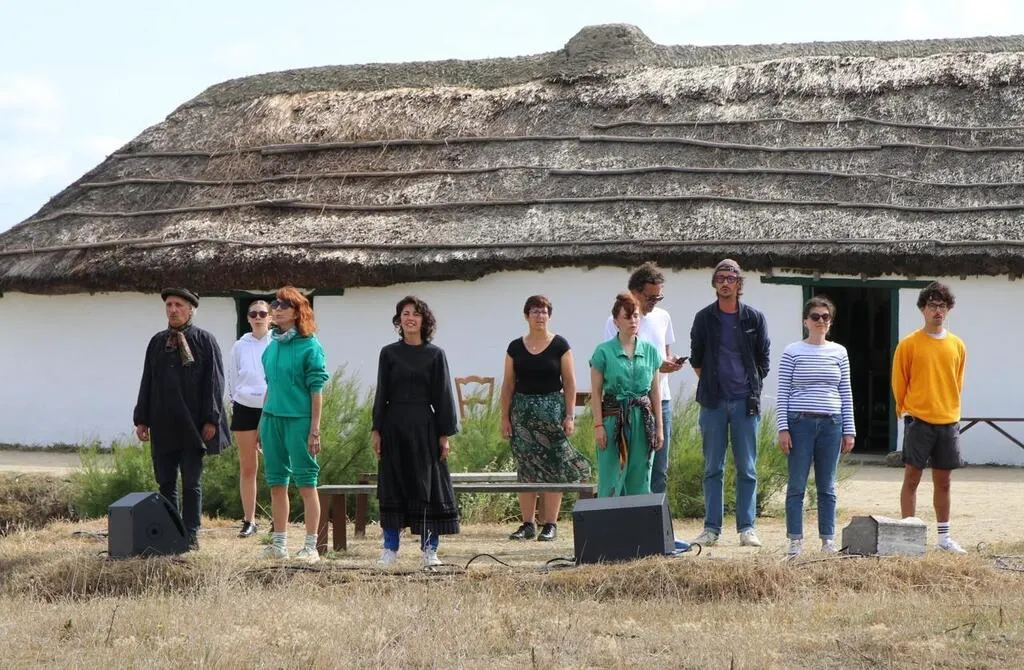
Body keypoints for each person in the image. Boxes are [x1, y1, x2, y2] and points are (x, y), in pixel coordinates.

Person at [133, 288, 230, 551]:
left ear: (190, 310)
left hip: (193, 425)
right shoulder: (157, 342)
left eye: (178, 305)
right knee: (165, 482)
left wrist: (211, 419)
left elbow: (214, 382)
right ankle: (171, 533)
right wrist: (142, 419)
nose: (173, 310)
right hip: (163, 422)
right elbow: (147, 381)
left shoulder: (205, 341)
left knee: (191, 483)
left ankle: (191, 534)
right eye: (169, 305)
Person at [372, 296, 460, 567]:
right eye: (405, 313)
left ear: (424, 320)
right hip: (393, 425)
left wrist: (444, 435)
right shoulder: (388, 353)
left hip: (425, 427)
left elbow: (443, 396)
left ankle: (430, 550)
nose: (410, 318)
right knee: (393, 486)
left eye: (416, 314)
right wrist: (377, 429)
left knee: (428, 487)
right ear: (399, 320)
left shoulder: (435, 354)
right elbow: (382, 393)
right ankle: (390, 549)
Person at [689, 259, 770, 548]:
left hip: (745, 402)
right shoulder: (703, 318)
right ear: (714, 283)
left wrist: (750, 385)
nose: (725, 282)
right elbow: (697, 359)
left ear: (739, 283)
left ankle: (747, 528)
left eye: (731, 278)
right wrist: (714, 383)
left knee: (747, 467)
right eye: (721, 278)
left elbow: (763, 360)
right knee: (713, 467)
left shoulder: (754, 318)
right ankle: (711, 528)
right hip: (712, 402)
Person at [501, 295, 591, 542]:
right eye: (535, 311)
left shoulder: (560, 345)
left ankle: (550, 524)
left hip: (552, 414)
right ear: (526, 315)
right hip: (522, 416)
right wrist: (504, 418)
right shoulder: (515, 347)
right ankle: (527, 524)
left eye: (543, 312)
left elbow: (569, 383)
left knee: (554, 467)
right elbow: (508, 385)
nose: (539, 316)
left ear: (549, 316)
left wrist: (570, 415)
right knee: (526, 468)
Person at [776, 296, 856, 556]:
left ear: (830, 322)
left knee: (828, 486)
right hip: (800, 422)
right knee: (796, 484)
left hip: (831, 423)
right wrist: (783, 428)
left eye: (825, 317)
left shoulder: (839, 352)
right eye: (815, 316)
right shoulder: (792, 351)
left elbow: (845, 392)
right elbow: (783, 392)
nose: (820, 321)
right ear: (805, 321)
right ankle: (795, 540)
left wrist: (849, 429)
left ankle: (827, 540)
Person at [892, 281, 967, 554]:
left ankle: (944, 538)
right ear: (922, 309)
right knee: (912, 479)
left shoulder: (957, 345)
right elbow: (899, 380)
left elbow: (957, 381)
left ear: (948, 309)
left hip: (948, 421)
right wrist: (904, 409)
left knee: (944, 482)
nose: (938, 311)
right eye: (933, 305)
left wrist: (950, 409)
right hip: (919, 420)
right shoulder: (909, 343)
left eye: (943, 306)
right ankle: (908, 538)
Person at [259, 287, 329, 562]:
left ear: (298, 311)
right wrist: (262, 423)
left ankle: (311, 547)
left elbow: (316, 390)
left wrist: (315, 430)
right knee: (276, 483)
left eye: (284, 305)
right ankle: (279, 545)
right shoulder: (272, 345)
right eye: (275, 304)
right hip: (272, 420)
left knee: (306, 483)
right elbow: (270, 386)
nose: (277, 309)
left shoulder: (311, 346)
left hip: (299, 421)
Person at [603, 262, 684, 495]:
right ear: (634, 292)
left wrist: (670, 362)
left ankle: (655, 517)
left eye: (659, 297)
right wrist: (653, 367)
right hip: (626, 404)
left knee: (658, 467)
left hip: (660, 400)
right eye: (650, 297)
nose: (654, 302)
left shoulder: (663, 317)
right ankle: (624, 513)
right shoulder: (614, 321)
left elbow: (666, 352)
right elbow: (613, 361)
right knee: (626, 465)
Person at [590, 292, 664, 497]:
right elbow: (596, 392)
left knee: (640, 475)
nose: (633, 321)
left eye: (636, 316)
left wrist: (659, 428)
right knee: (610, 476)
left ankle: (638, 518)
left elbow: (655, 392)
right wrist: (598, 426)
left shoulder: (650, 351)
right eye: (627, 316)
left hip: (642, 419)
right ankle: (608, 517)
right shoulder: (603, 352)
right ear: (616, 321)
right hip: (613, 418)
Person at [228, 300, 271, 538]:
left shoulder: (276, 343)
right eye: (253, 314)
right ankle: (249, 520)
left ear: (270, 317)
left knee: (276, 464)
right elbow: (233, 377)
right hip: (244, 407)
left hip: (271, 406)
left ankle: (278, 519)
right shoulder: (239, 346)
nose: (258, 318)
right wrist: (235, 401)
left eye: (263, 313)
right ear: (247, 318)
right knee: (247, 466)